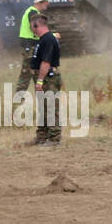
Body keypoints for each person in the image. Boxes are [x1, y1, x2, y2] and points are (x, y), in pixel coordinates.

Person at [28, 12, 62, 145]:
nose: (31, 29)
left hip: (48, 78)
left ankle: (54, 138)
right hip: (44, 77)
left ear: (36, 25)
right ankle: (42, 136)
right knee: (43, 107)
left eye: (32, 26)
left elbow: (46, 62)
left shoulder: (48, 40)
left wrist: (40, 80)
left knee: (51, 107)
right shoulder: (42, 39)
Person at [15, 0, 51, 101]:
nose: (47, 4)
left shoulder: (31, 12)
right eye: (46, 2)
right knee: (26, 78)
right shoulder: (33, 13)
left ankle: (43, 104)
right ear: (41, 2)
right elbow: (36, 29)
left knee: (36, 77)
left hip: (31, 48)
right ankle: (16, 105)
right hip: (30, 48)